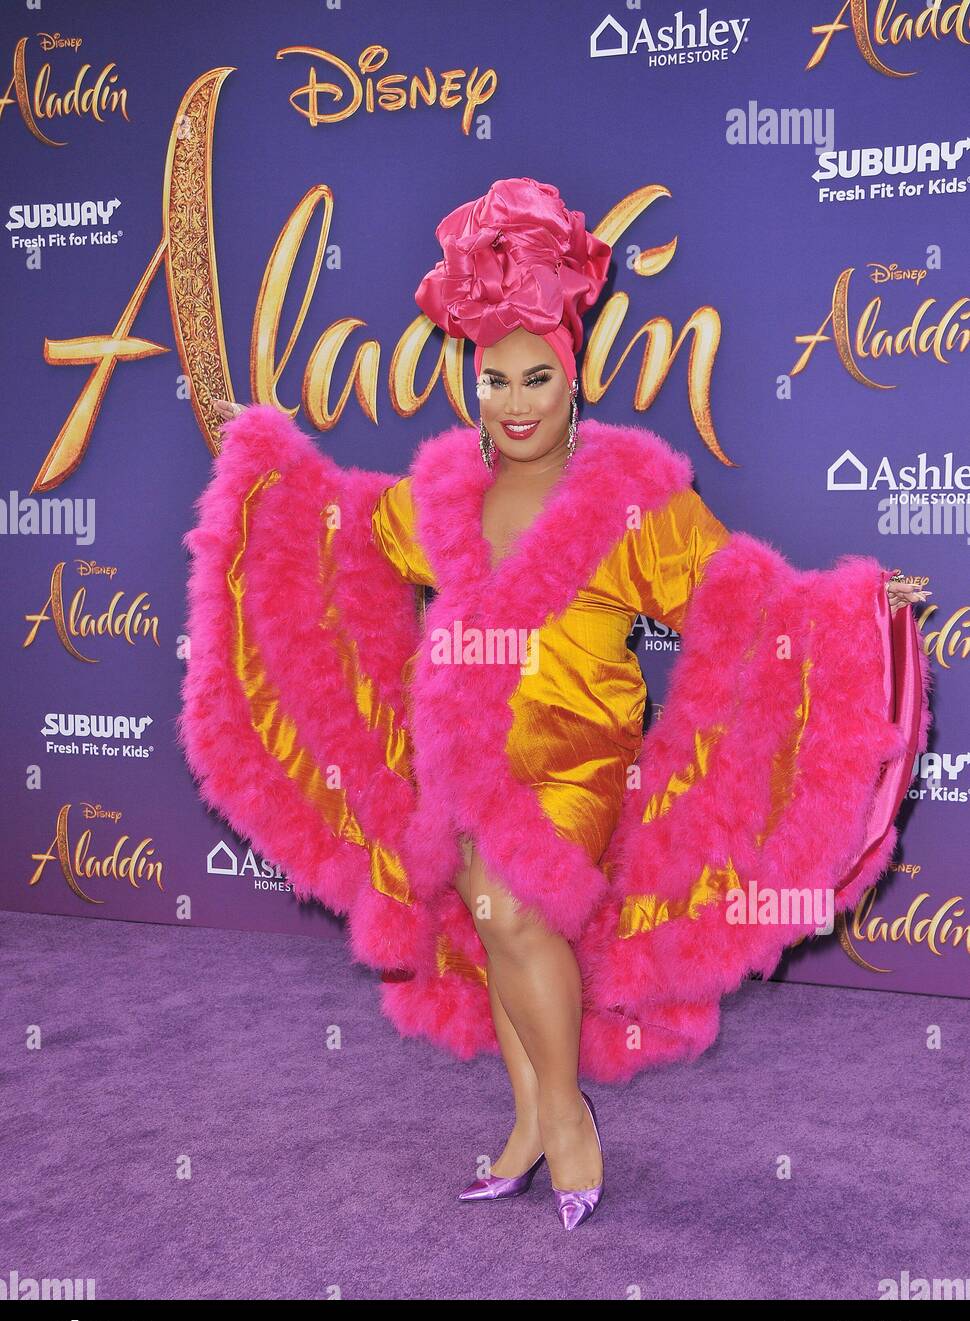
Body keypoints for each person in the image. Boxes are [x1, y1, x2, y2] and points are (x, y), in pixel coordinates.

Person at [187, 177, 929, 1232]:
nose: (518, 402)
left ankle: (568, 1115)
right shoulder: (441, 492)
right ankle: (531, 1117)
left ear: (573, 377)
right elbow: (343, 535)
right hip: (460, 753)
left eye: (539, 378)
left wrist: (844, 604)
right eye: (497, 381)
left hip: (581, 763)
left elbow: (730, 591)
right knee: (494, 925)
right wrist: (262, 486)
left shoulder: (632, 493)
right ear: (472, 383)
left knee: (509, 902)